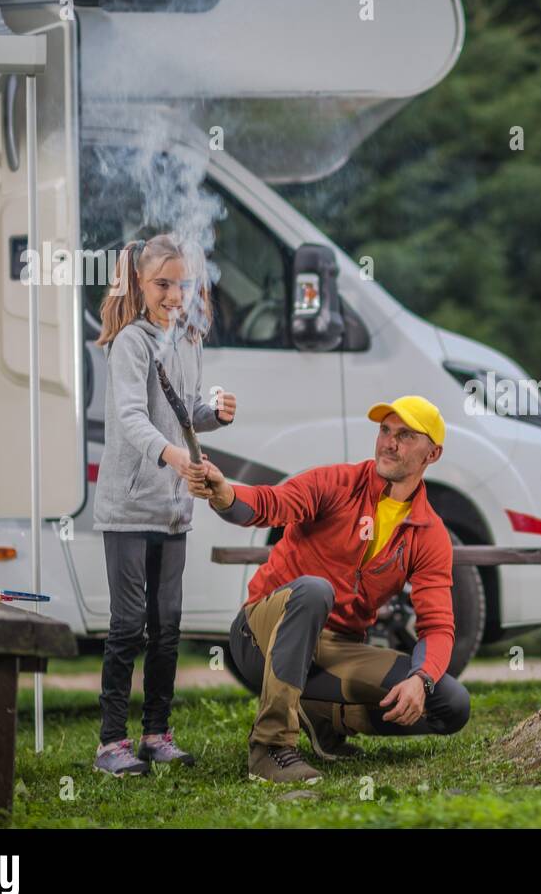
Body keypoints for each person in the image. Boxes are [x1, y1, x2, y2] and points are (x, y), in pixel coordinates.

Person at [191, 395, 471, 784]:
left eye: (405, 435)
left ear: (432, 454)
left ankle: (326, 718)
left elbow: (438, 627)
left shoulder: (430, 533)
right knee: (314, 591)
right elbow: (270, 503)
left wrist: (420, 680)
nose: (389, 442)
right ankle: (270, 748)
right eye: (385, 431)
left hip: (335, 650)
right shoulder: (338, 483)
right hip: (259, 636)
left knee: (451, 703)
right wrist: (225, 493)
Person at [91, 234, 238, 776]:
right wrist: (175, 455)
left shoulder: (188, 340)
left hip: (174, 510)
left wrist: (213, 413)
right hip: (128, 507)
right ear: (141, 283)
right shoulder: (130, 342)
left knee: (167, 625)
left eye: (183, 284)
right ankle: (111, 743)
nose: (174, 295)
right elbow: (131, 418)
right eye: (163, 284)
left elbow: (184, 409)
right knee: (128, 624)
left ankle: (156, 733)